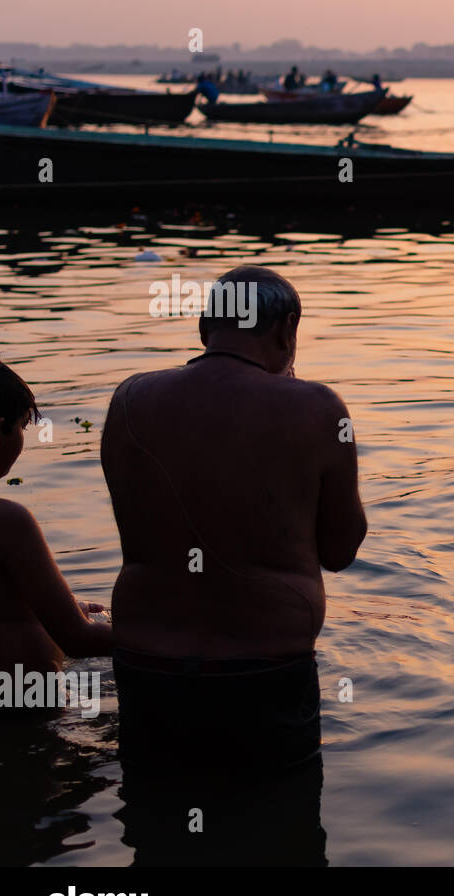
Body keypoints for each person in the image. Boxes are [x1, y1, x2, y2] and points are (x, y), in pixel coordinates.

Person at [100, 266, 366, 772]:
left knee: (156, 819)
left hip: (145, 664)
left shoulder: (129, 399)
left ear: (205, 328)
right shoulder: (317, 406)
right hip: (264, 670)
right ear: (287, 328)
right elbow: (340, 552)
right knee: (278, 829)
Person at [0, 359, 112, 679]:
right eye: (21, 426)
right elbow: (79, 639)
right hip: (24, 716)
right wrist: (166, 636)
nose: (22, 440)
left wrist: (66, 606)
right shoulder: (8, 522)